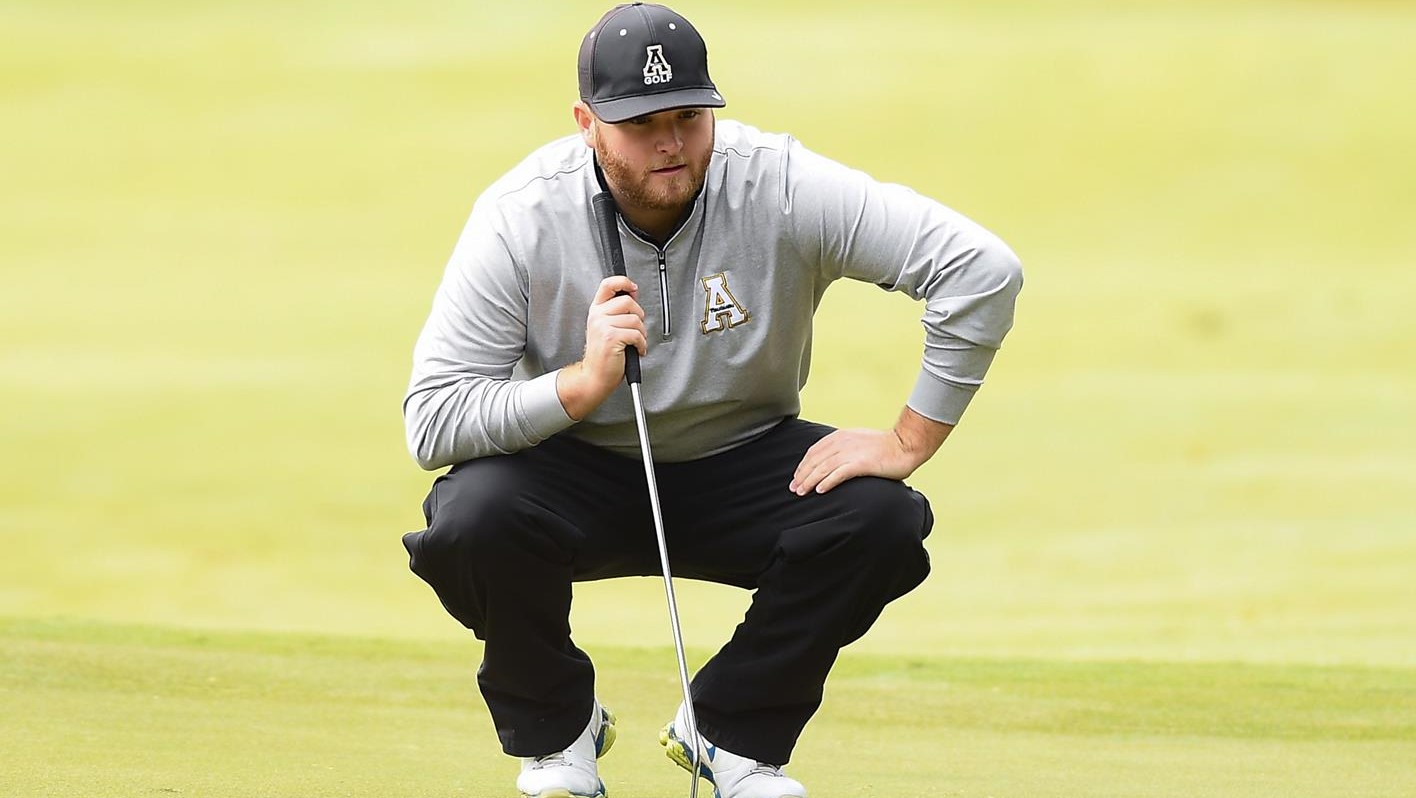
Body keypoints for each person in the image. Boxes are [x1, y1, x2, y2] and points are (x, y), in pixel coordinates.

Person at [399, 3, 1022, 797]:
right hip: (573, 467)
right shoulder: (521, 216)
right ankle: (559, 736)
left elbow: (982, 271)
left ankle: (730, 733)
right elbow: (434, 420)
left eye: (690, 117)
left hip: (746, 457)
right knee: (469, 519)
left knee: (882, 519)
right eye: (640, 122)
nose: (671, 142)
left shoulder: (780, 184)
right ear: (587, 123)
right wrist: (579, 386)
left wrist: (909, 439)